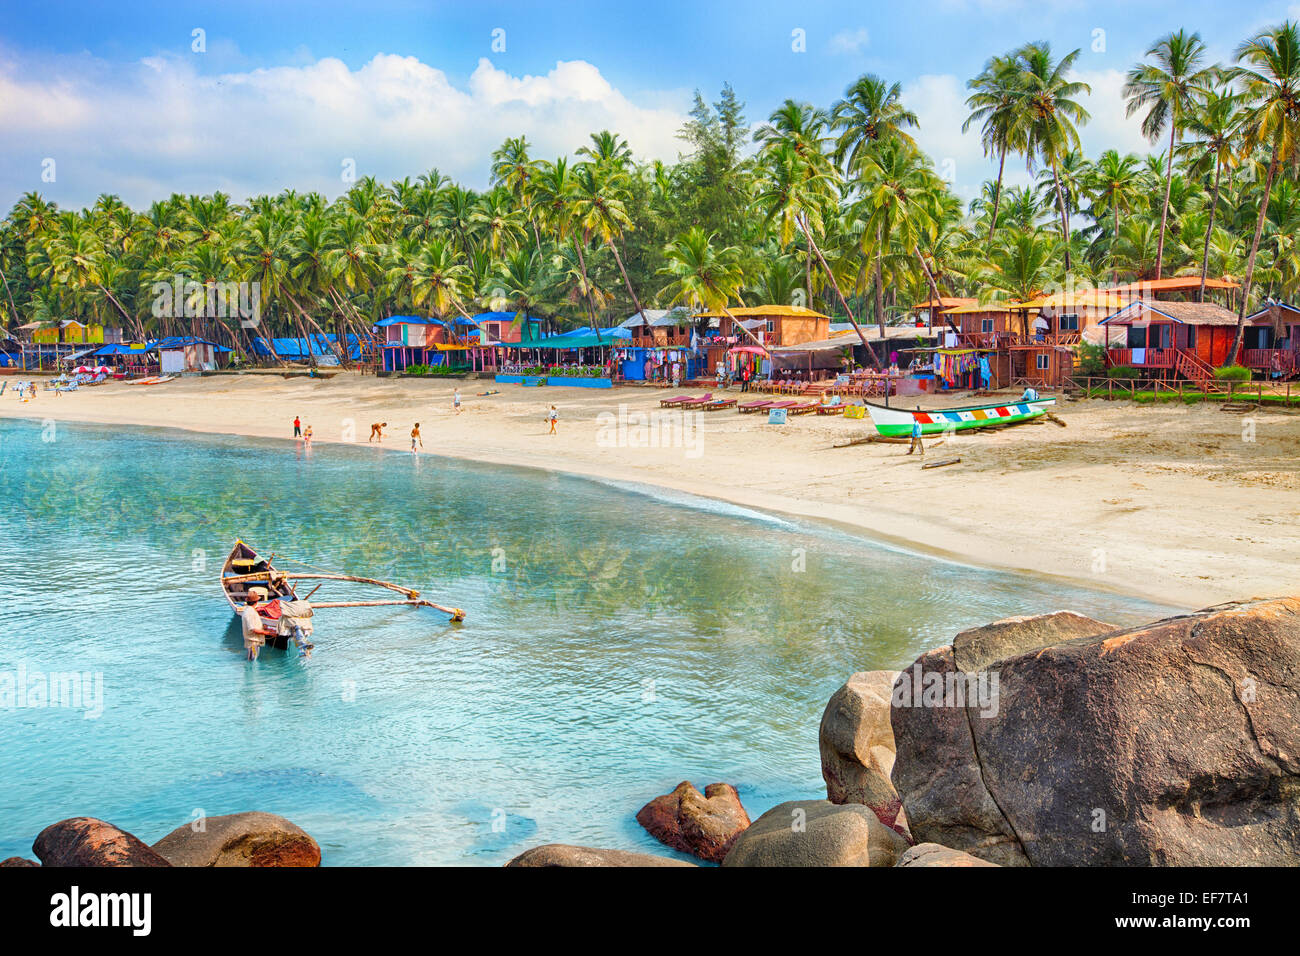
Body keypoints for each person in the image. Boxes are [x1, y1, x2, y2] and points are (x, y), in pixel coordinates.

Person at [240, 592, 276, 661]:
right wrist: (269, 633)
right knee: (252, 661)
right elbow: (253, 629)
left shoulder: (249, 610)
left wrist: (265, 627)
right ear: (256, 602)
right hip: (253, 642)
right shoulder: (250, 613)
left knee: (252, 660)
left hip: (254, 641)